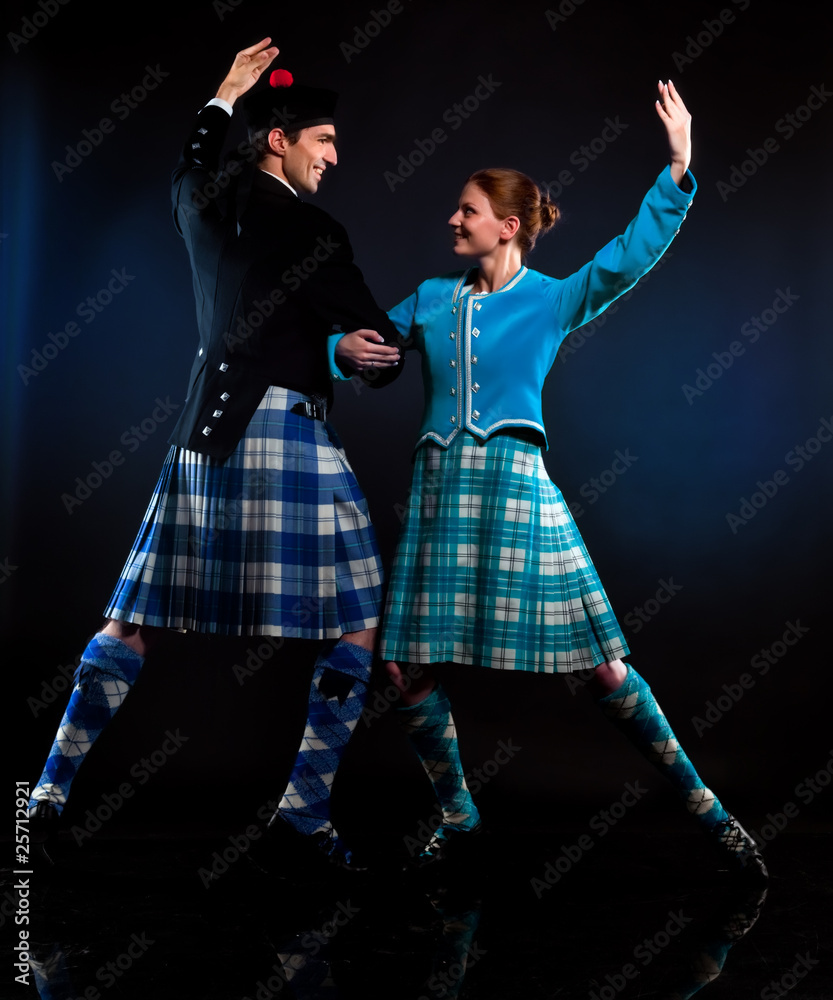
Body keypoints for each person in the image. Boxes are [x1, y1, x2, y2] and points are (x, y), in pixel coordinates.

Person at [336, 80, 767, 879]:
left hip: (516, 488)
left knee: (600, 667)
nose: (452, 220)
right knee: (403, 667)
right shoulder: (430, 298)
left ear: (507, 226)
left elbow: (627, 257)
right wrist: (340, 352)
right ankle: (459, 819)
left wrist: (677, 166)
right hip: (439, 491)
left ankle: (709, 811)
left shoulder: (553, 299)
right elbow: (366, 352)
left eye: (467, 210)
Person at [29, 38, 403, 869]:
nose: (334, 156)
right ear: (279, 140)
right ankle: (302, 819)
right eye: (323, 141)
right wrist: (357, 352)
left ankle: (45, 798)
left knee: (132, 622)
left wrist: (222, 94)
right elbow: (381, 346)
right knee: (358, 626)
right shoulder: (312, 228)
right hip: (287, 436)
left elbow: (187, 169)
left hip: (203, 438)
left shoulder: (202, 208)